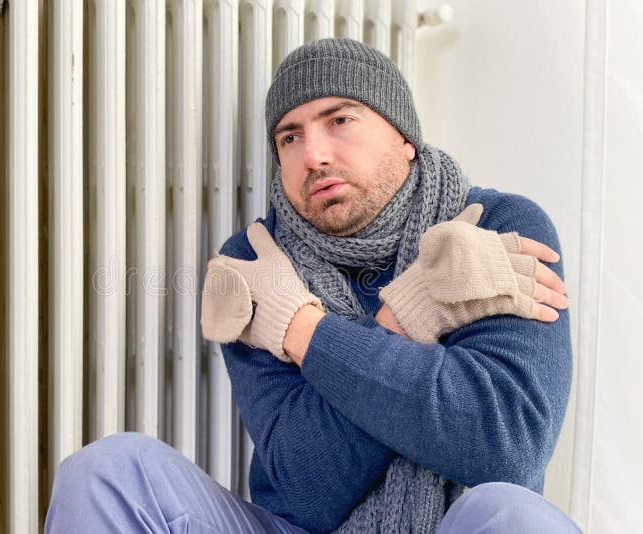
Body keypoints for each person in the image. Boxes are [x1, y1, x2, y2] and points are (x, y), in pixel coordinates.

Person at [44, 38, 581, 533]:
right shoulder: (256, 266)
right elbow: (304, 489)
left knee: (512, 514)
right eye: (290, 137)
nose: (314, 155)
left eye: (340, 120)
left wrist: (301, 330)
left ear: (405, 136)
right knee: (107, 472)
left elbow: (507, 446)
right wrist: (412, 312)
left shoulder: (496, 228)